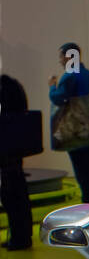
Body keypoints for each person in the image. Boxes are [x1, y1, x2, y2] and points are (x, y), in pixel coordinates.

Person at [49, 42, 89, 206]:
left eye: (61, 56)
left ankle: (88, 205)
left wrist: (52, 87)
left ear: (69, 56)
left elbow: (58, 98)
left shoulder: (69, 77)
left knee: (82, 172)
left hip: (76, 133)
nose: (60, 60)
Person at [0, 72, 34, 250]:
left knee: (10, 196)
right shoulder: (13, 85)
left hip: (5, 150)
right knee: (17, 194)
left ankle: (19, 238)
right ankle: (21, 235)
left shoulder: (4, 88)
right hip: (15, 148)